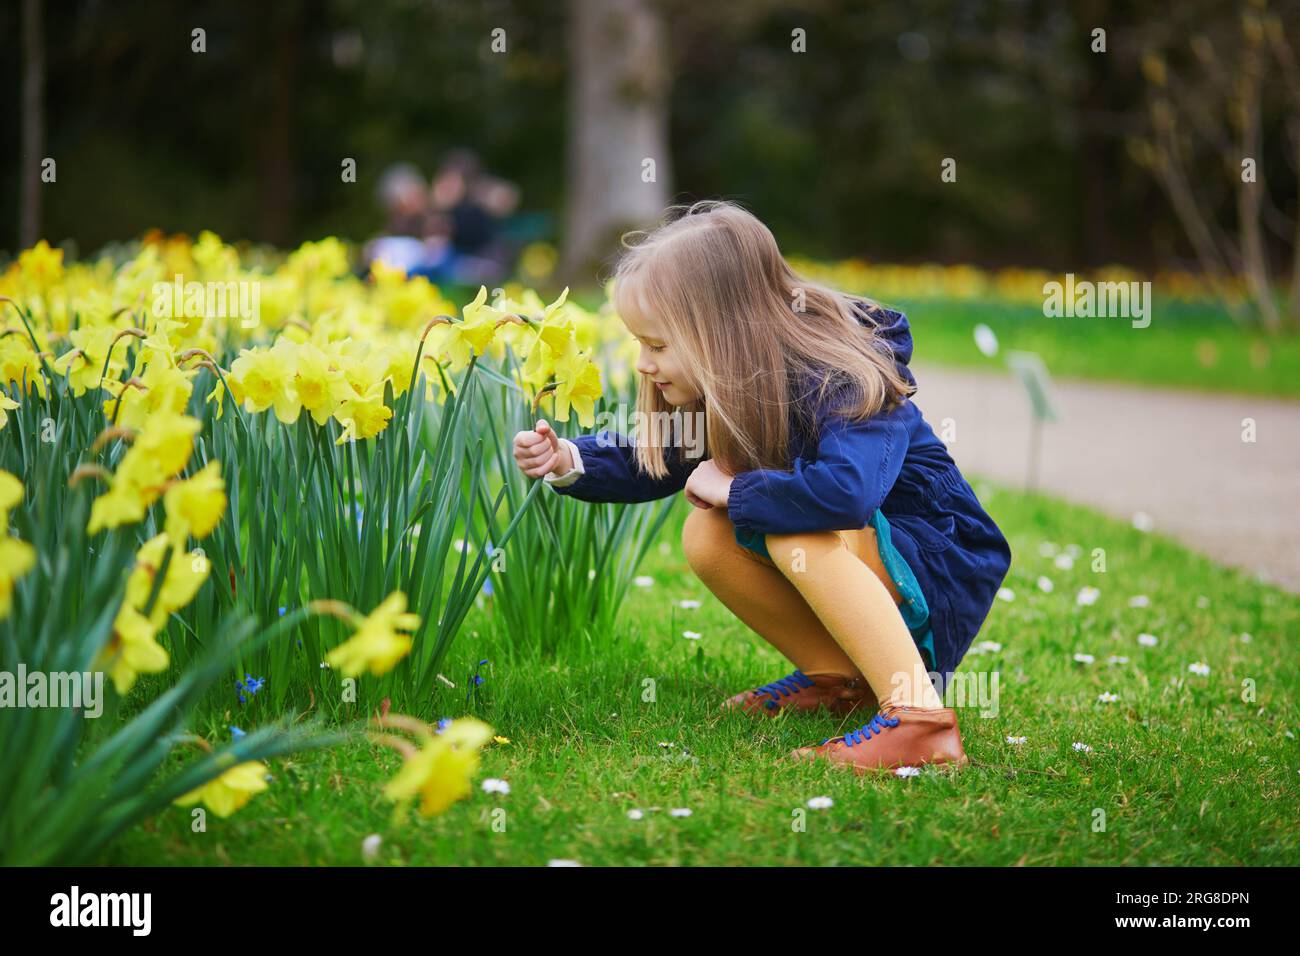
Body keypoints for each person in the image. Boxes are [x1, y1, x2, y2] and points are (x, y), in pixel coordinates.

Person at [512, 200, 1012, 773]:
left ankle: (918, 719)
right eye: (640, 344)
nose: (644, 363)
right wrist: (570, 457)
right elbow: (663, 455)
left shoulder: (846, 373)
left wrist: (736, 491)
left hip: (937, 557)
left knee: (788, 531)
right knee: (707, 532)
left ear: (719, 331)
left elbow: (847, 493)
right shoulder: (732, 378)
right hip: (872, 555)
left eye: (657, 345)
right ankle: (839, 682)